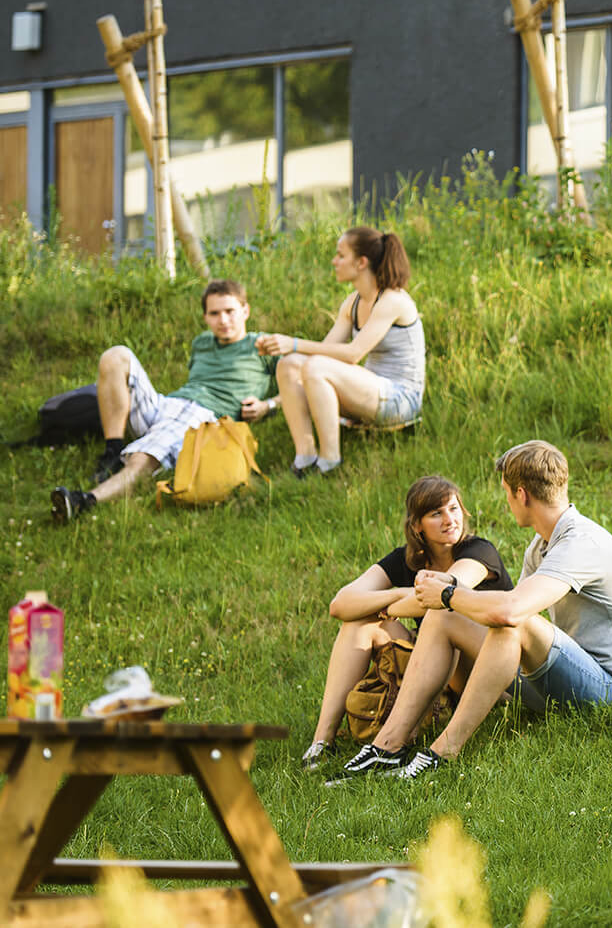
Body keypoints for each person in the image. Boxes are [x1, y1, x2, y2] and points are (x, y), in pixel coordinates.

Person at [327, 441, 612, 782]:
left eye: (507, 493)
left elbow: (512, 613)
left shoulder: (581, 544)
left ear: (521, 495)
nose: (508, 501)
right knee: (445, 615)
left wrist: (448, 594)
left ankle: (442, 752)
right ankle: (389, 748)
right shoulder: (541, 546)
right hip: (558, 679)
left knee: (511, 621)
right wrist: (444, 602)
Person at [301, 476, 514, 770]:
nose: (449, 520)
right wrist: (399, 592)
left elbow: (443, 595)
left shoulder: (478, 552)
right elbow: (340, 605)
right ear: (417, 526)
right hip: (435, 662)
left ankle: (403, 734)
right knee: (357, 625)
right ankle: (322, 742)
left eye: (453, 509)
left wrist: (387, 603)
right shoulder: (406, 561)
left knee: (444, 612)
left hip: (483, 669)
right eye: (436, 514)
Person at [49, 279, 279, 521]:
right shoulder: (201, 342)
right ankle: (112, 450)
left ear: (245, 311)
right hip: (167, 404)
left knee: (141, 459)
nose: (223, 320)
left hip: (202, 417)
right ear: (205, 317)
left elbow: (297, 380)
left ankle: (83, 501)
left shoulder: (262, 345)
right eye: (214, 313)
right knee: (115, 355)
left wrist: (269, 405)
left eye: (230, 311)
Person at [256, 226, 424, 477]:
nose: (334, 261)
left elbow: (353, 354)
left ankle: (329, 462)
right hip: (370, 394)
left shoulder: (393, 300)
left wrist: (292, 342)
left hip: (401, 399)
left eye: (340, 255)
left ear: (361, 262)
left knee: (312, 364)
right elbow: (319, 357)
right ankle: (305, 458)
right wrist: (271, 403)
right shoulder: (353, 303)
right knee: (290, 364)